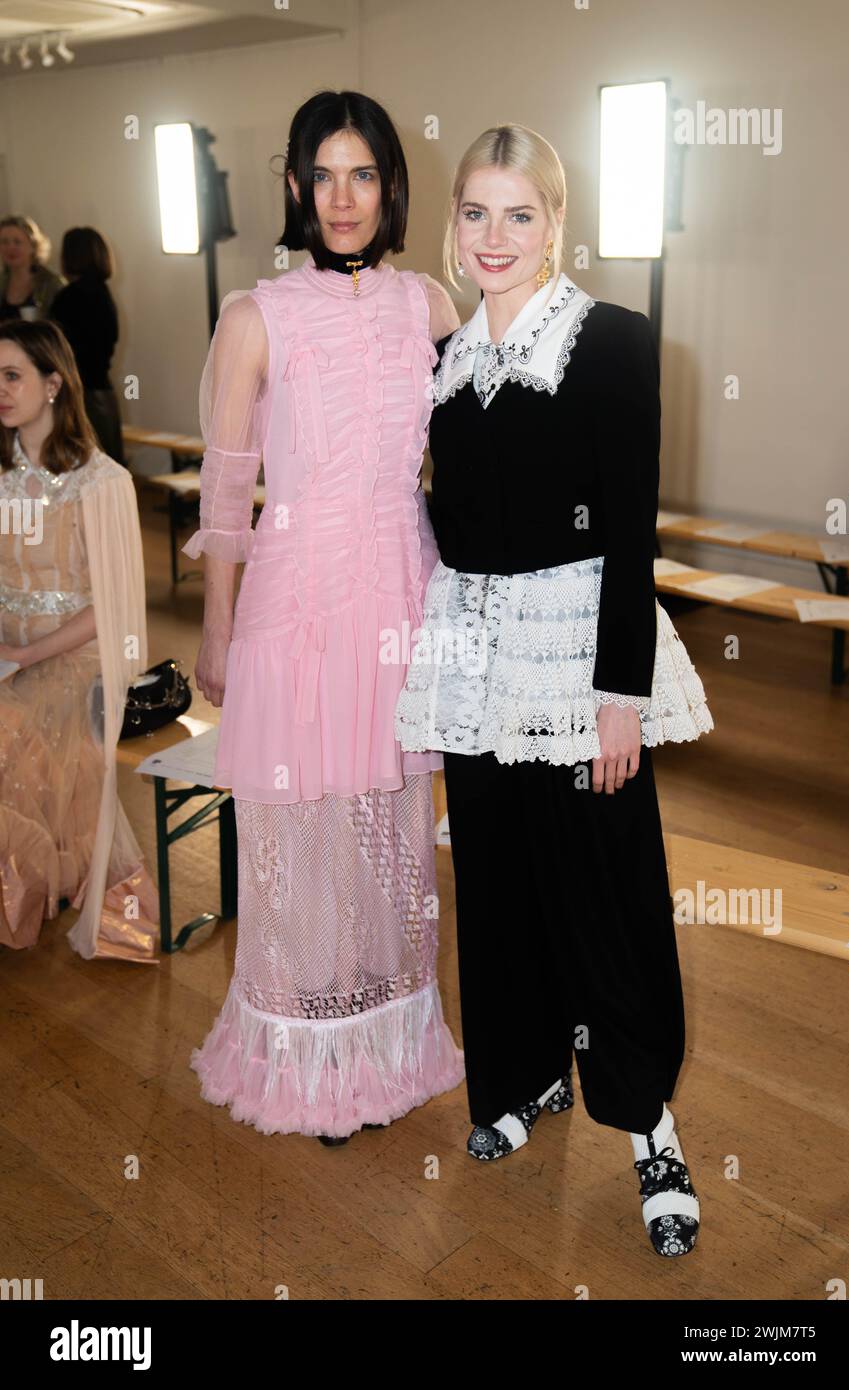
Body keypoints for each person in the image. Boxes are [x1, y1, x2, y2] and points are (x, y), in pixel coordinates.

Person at [394, 124, 714, 1256]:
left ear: (555, 223)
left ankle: (647, 1122)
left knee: (605, 889)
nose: (493, 237)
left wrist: (616, 692)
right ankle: (526, 1078)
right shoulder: (446, 357)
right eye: (475, 214)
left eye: (517, 214)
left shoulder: (611, 340)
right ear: (454, 222)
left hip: (575, 657)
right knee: (497, 880)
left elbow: (629, 531)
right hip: (471, 656)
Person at [183, 90, 464, 1142]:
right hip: (297, 595)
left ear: (390, 187)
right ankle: (308, 1048)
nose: (342, 198)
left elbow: (485, 446)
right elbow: (225, 491)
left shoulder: (428, 304)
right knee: (301, 825)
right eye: (322, 175)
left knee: (387, 821)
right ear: (295, 186)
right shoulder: (256, 315)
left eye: (363, 175)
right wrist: (216, 622)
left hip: (401, 584)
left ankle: (386, 1032)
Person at [0, 319, 159, 960]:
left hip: (75, 662)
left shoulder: (102, 482)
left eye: (12, 375)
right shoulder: (3, 475)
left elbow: (113, 607)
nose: (1, 390)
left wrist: (25, 656)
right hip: (11, 656)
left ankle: (37, 892)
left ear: (54, 383)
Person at [50, 228, 125, 465]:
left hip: (82, 394)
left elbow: (57, 349)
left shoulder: (70, 298)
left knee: (88, 468)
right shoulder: (103, 293)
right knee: (107, 465)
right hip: (102, 390)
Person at [0, 215, 64, 321]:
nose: (10, 248)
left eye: (17, 242)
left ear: (33, 246)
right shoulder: (2, 281)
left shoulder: (51, 283)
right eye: (4, 242)